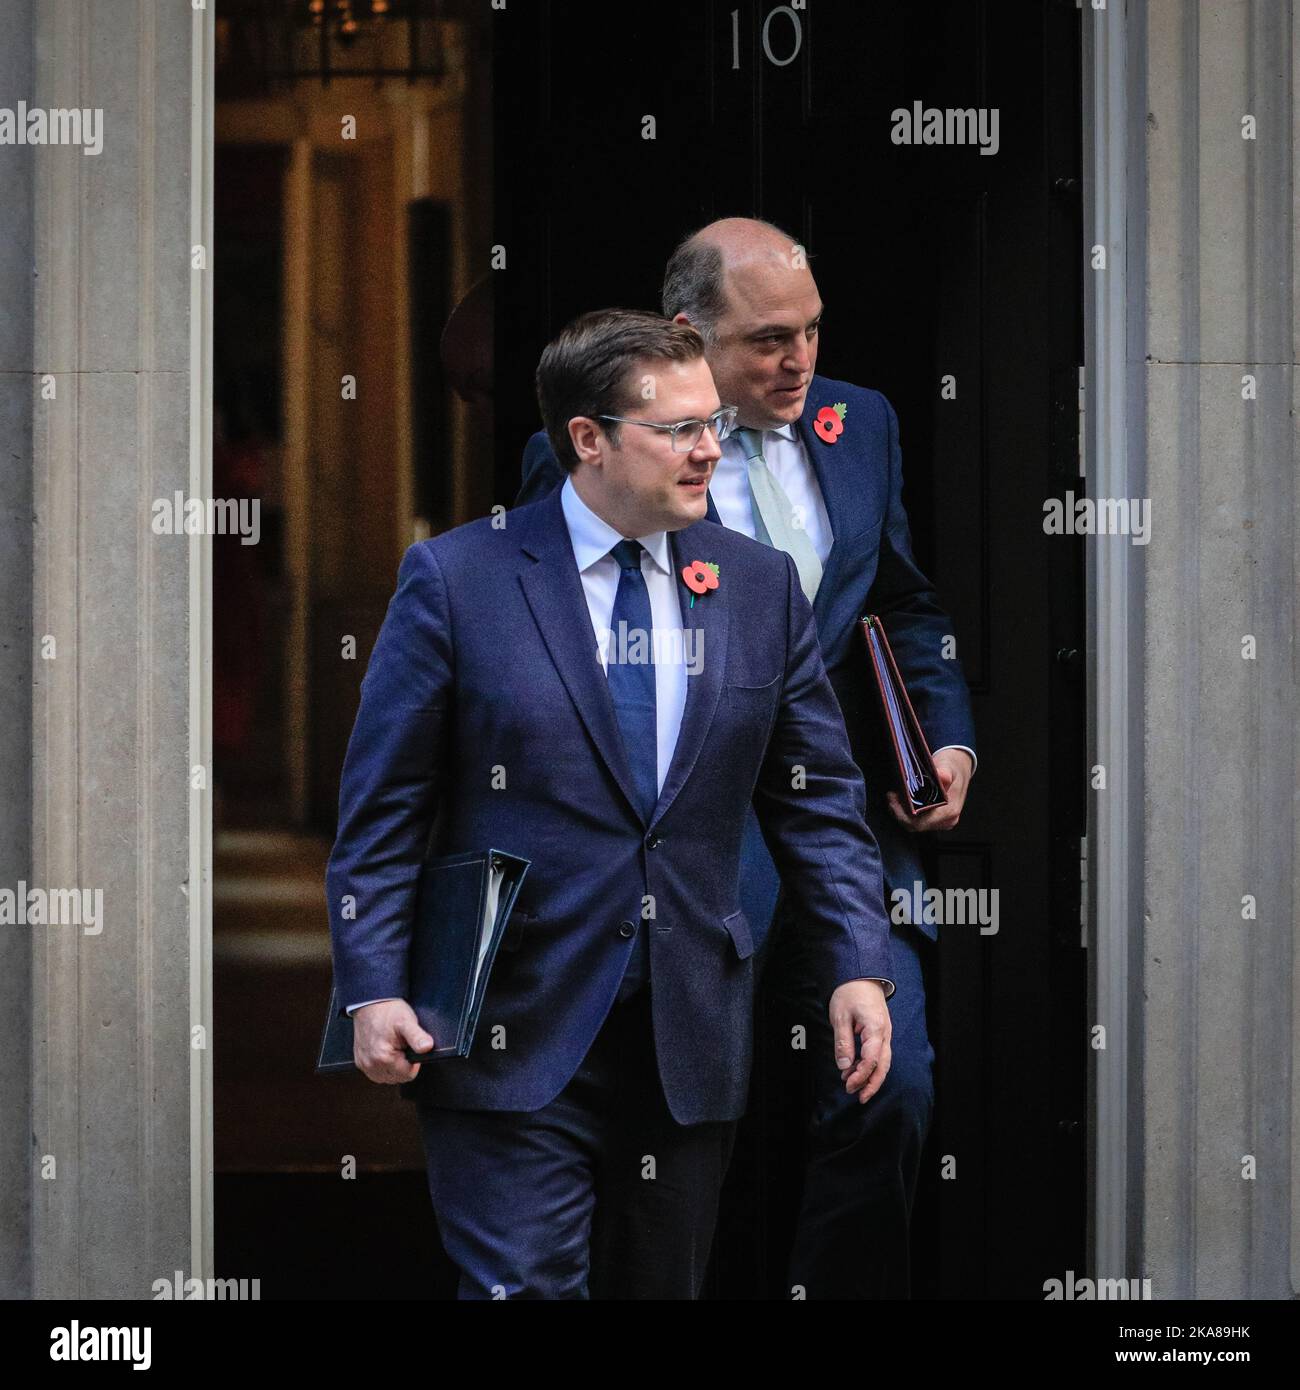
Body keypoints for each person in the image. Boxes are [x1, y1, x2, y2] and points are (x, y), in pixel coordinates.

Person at [326, 308, 897, 1300]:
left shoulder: (758, 588)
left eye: (712, 420)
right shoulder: (460, 578)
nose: (711, 447)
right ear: (588, 439)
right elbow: (386, 804)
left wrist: (857, 961)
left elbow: (818, 800)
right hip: (506, 1019)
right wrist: (371, 982)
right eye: (678, 428)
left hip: (686, 1029)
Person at [517, 219, 978, 1298]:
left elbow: (901, 602)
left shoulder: (860, 423)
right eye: (770, 339)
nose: (799, 361)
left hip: (831, 825)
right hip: (676, 839)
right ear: (688, 333)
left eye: (812, 332)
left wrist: (942, 736)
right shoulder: (594, 447)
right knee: (673, 1127)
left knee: (890, 1088)